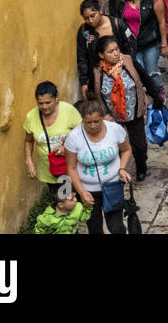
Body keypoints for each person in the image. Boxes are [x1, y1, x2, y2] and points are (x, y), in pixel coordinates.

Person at [92, 34, 161, 181]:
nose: (116, 53)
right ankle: (117, 174)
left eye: (117, 49)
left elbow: (145, 79)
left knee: (140, 146)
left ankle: (141, 167)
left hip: (133, 112)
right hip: (111, 116)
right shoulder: (97, 73)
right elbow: (94, 94)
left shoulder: (129, 62)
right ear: (101, 55)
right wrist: (101, 114)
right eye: (111, 51)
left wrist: (156, 97)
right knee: (114, 147)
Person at [63, 99, 134, 235]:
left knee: (116, 227)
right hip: (88, 190)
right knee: (94, 228)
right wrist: (82, 192)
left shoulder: (115, 129)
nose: (93, 126)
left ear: (103, 118)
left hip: (113, 186)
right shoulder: (73, 138)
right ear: (82, 120)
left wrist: (122, 168)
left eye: (97, 121)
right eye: (88, 122)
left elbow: (126, 150)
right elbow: (71, 168)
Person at [112, 0, 162, 91]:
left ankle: (159, 100)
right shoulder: (122, 0)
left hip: (150, 43)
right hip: (132, 46)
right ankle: (144, 102)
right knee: (137, 75)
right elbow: (118, 23)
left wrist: (165, 43)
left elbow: (162, 21)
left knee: (152, 74)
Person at [23, 81, 82, 184]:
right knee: (58, 197)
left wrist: (67, 147)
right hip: (48, 170)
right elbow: (29, 141)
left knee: (71, 198)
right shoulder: (31, 117)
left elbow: (83, 133)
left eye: (48, 102)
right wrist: (29, 160)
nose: (44, 107)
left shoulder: (69, 111)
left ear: (56, 99)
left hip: (71, 166)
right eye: (40, 103)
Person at [76, 0, 128, 100]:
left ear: (100, 11)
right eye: (86, 18)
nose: (90, 21)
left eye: (93, 15)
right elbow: (82, 57)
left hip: (121, 73)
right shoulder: (84, 32)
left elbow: (129, 48)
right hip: (97, 78)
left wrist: (126, 68)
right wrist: (84, 82)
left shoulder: (117, 24)